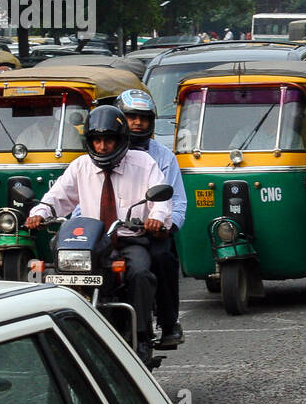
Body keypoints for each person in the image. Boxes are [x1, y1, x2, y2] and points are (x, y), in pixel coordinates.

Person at [25, 106, 173, 359]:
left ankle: (141, 336)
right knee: (50, 273)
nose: (102, 146)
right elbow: (58, 197)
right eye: (97, 140)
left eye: (108, 140)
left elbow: (160, 199)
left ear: (121, 140)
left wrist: (156, 219)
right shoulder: (80, 166)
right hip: (88, 244)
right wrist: (40, 213)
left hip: (128, 240)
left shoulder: (144, 163)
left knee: (140, 273)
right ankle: (51, 336)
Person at [119, 89, 186, 347]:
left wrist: (164, 224)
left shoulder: (162, 157)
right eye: (131, 117)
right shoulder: (100, 154)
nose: (137, 123)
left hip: (150, 231)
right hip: (113, 232)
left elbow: (177, 200)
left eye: (143, 118)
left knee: (162, 257)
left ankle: (169, 322)